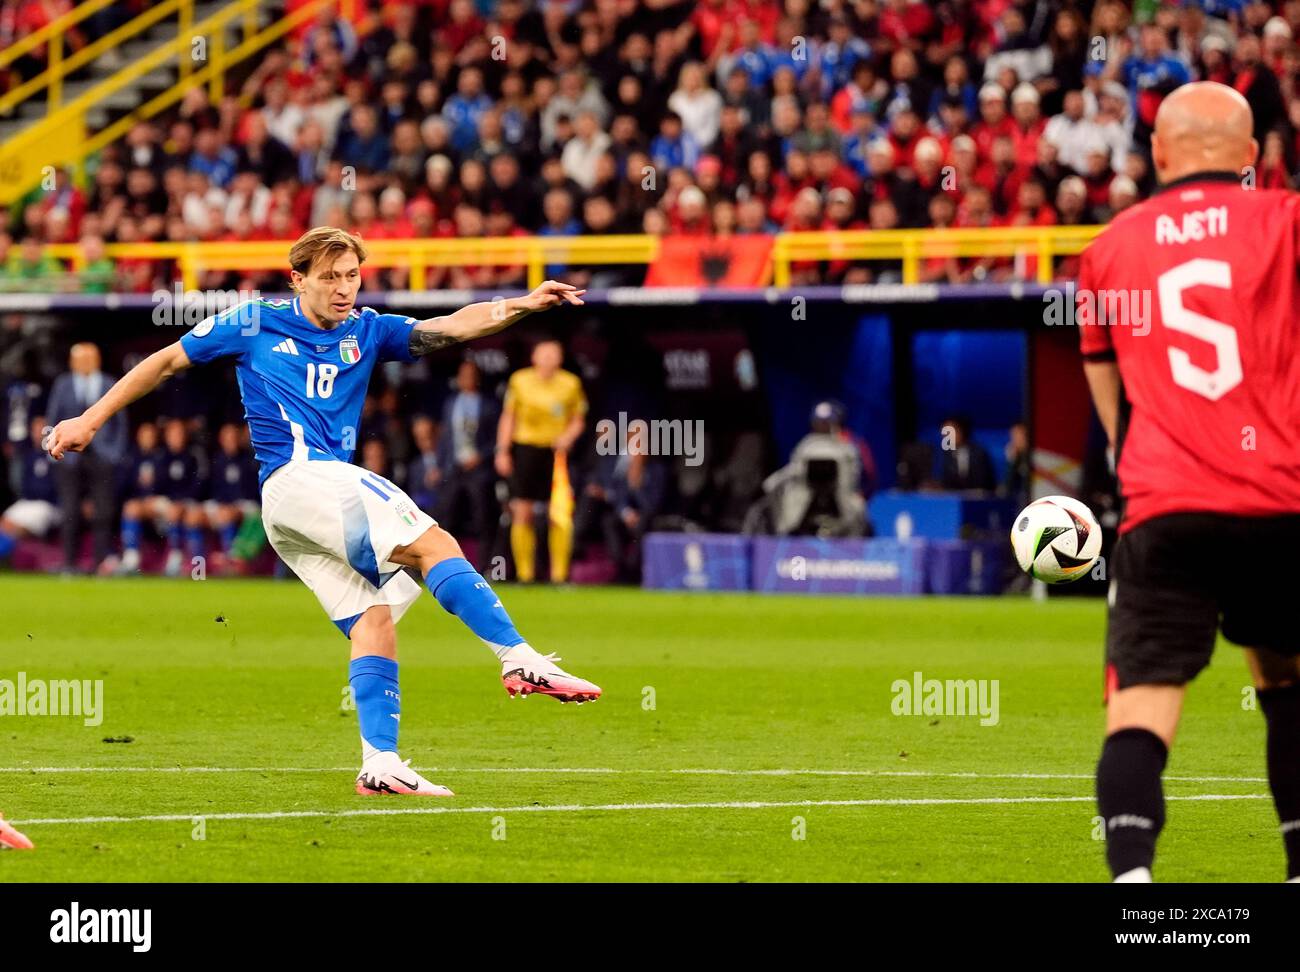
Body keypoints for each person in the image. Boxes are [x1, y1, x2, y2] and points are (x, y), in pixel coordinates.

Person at [46, 227, 601, 800]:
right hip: (302, 479)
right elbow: (163, 363)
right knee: (434, 544)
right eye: (330, 277)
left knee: (373, 621)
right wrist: (89, 419)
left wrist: (524, 304)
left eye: (352, 275)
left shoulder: (368, 329)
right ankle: (519, 659)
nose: (343, 288)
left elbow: (453, 325)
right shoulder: (253, 320)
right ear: (298, 279)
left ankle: (380, 762)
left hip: (299, 511)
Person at [1078, 82, 1300, 883]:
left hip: (1165, 504)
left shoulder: (1106, 250)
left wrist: (1145, 466)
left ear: (1159, 153)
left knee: (1140, 704)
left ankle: (1136, 893)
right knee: (1284, 680)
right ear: (1250, 158)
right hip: (1283, 500)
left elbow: (1112, 411)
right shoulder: (1284, 219)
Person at [494, 339, 587, 584]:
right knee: (522, 511)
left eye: (553, 354)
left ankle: (559, 576)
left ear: (560, 358)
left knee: (559, 513)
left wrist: (568, 437)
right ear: (534, 357)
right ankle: (526, 575)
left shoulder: (570, 383)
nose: (547, 359)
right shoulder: (520, 380)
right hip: (525, 450)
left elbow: (578, 419)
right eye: (543, 354)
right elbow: (509, 417)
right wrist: (503, 450)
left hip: (556, 454)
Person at [44, 343, 126, 572]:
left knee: (103, 510)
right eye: (80, 359)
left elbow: (121, 424)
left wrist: (114, 453)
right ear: (72, 362)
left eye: (89, 358)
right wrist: (52, 449)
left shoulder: (109, 383)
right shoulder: (63, 384)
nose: (85, 363)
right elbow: (52, 418)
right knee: (69, 510)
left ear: (97, 360)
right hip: (69, 458)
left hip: (102, 457)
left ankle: (100, 562)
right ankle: (69, 563)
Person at [434, 360, 500, 572]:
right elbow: (445, 438)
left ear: (478, 379)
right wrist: (439, 465)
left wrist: (481, 456)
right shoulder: (450, 403)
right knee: (445, 518)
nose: (467, 379)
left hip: (479, 470)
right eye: (463, 375)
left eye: (471, 375)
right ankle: (442, 565)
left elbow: (496, 440)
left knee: (483, 519)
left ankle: (482, 568)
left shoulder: (489, 405)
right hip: (453, 469)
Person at [0, 417, 60, 562]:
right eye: (35, 430)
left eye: (43, 430)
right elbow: (24, 487)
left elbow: (54, 489)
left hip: (49, 506)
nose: (39, 434)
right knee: (4, 522)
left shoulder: (57, 454)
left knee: (10, 526)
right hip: (28, 503)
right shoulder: (29, 457)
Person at [938, 415, 996, 492]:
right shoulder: (945, 455)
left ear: (961, 431)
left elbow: (986, 482)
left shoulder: (979, 453)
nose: (946, 437)